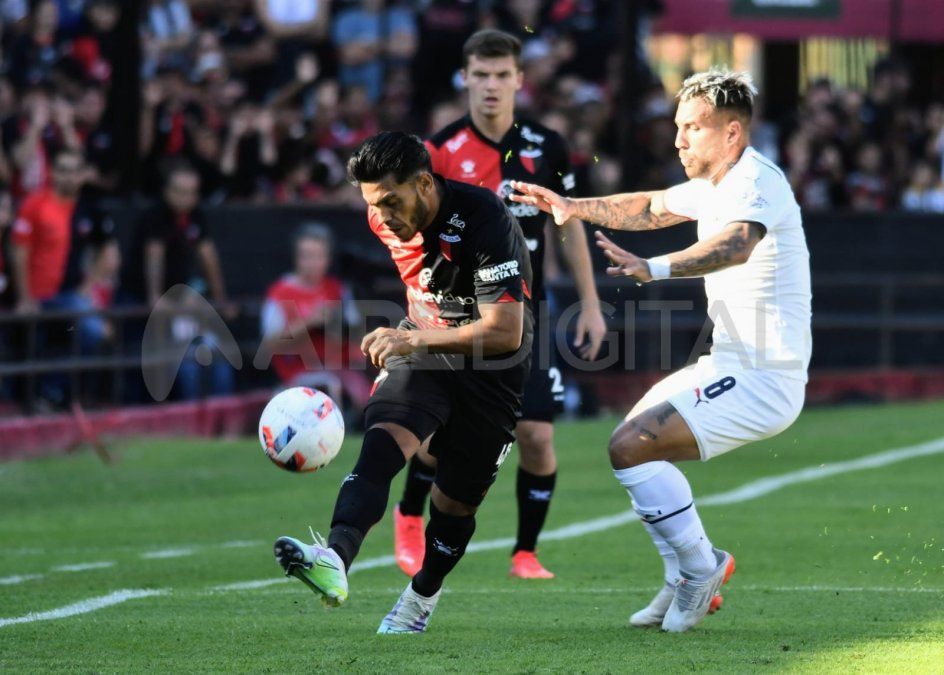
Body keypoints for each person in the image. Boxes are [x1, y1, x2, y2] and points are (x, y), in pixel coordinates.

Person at [511, 68, 811, 632]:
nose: (678, 139)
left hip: (765, 377)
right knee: (630, 446)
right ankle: (685, 574)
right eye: (678, 126)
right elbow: (649, 208)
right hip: (729, 364)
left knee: (632, 447)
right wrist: (573, 207)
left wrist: (658, 266)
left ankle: (701, 569)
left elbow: (737, 245)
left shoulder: (757, 182)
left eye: (693, 127)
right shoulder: (716, 185)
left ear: (732, 134)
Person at [273, 131, 534, 634]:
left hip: (494, 368)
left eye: (392, 200)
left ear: (424, 183)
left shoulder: (483, 218)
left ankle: (422, 597)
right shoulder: (381, 217)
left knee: (455, 504)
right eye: (373, 203)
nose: (384, 214)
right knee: (381, 445)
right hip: (424, 351)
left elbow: (505, 332)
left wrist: (417, 340)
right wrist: (413, 338)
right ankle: (335, 559)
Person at [392, 29, 606, 580]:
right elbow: (412, 239)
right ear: (465, 78)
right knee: (440, 441)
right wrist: (422, 313)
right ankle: (409, 516)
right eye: (480, 75)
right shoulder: (437, 152)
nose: (490, 85)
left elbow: (569, 225)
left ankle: (525, 552)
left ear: (519, 79)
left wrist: (590, 303)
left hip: (527, 312)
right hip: (460, 312)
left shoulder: (547, 145)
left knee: (537, 434)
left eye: (501, 74)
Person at [260, 222, 371, 410]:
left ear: (327, 259)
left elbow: (356, 332)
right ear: (297, 258)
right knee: (329, 385)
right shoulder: (280, 292)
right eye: (307, 256)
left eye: (319, 256)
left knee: (365, 391)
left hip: (337, 365)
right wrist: (309, 321)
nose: (313, 263)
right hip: (297, 370)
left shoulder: (337, 289)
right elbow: (269, 344)